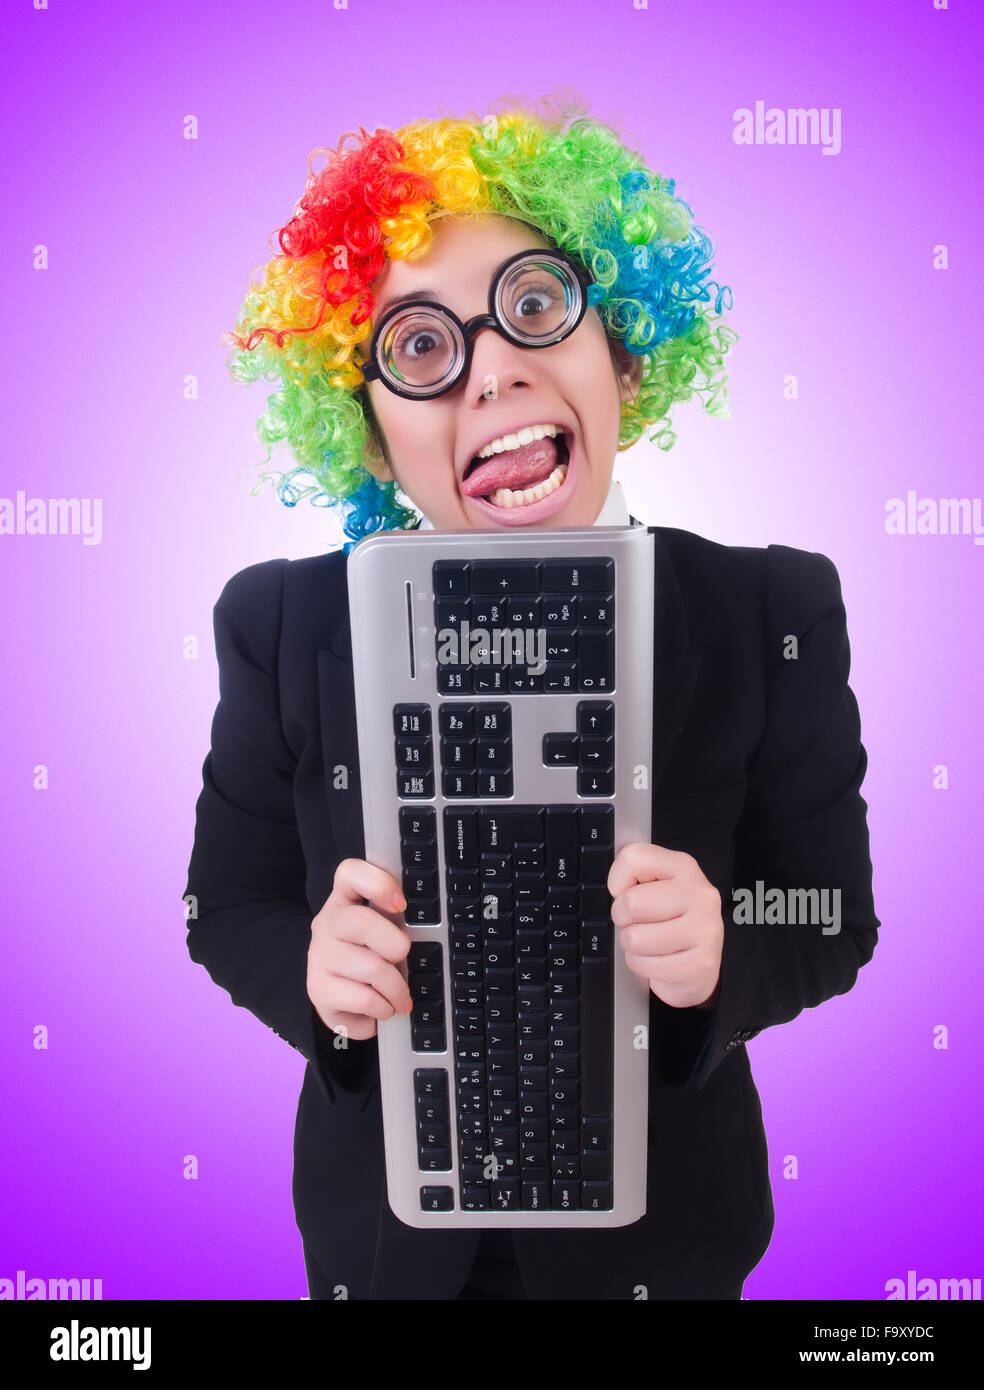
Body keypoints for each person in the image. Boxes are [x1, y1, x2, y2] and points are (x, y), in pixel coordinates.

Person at [183, 92, 879, 1300]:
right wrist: (311, 966)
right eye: (419, 348)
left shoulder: (772, 610)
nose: (493, 370)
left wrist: (724, 947)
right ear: (370, 433)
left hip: (668, 1244)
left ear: (619, 349)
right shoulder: (281, 624)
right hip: (383, 1247)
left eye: (537, 307)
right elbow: (220, 903)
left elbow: (832, 913)